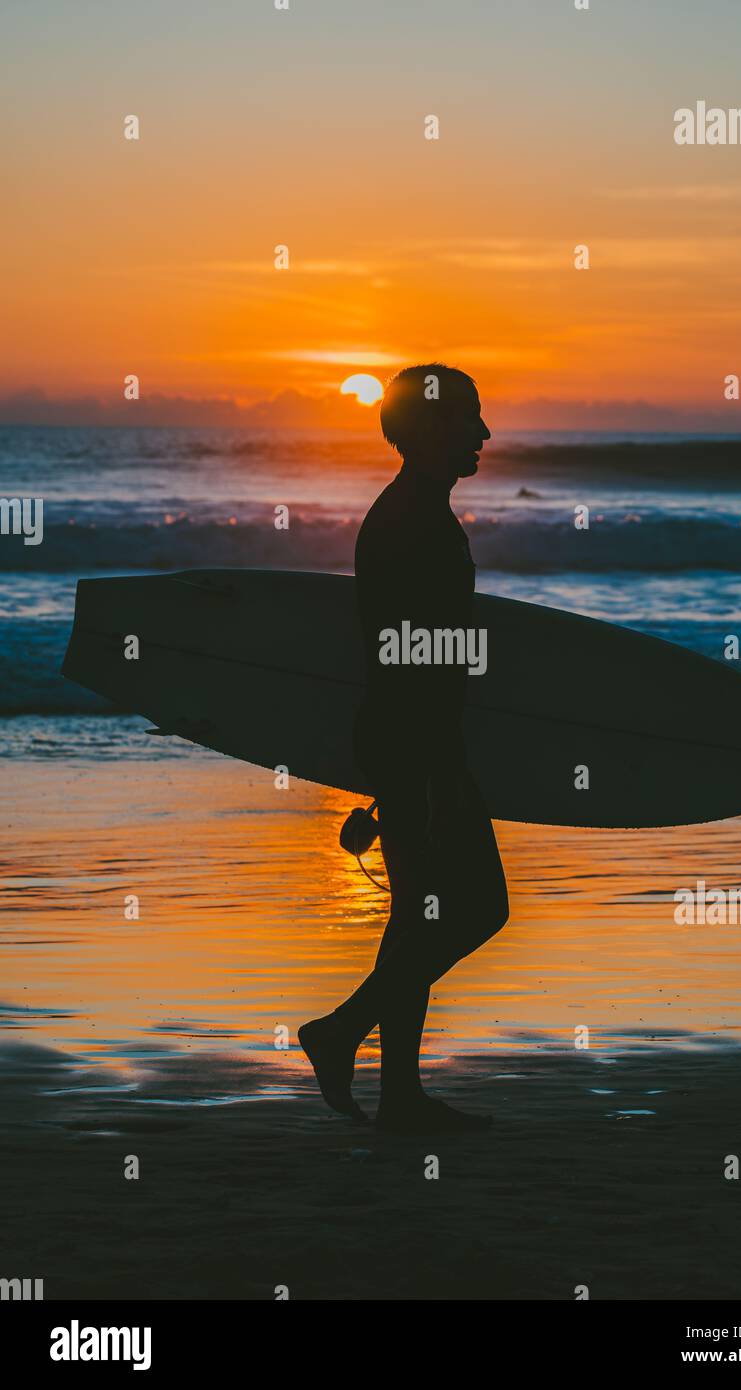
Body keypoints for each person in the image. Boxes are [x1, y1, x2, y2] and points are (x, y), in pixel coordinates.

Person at [299, 364, 509, 1134]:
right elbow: (402, 652)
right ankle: (341, 1032)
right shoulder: (410, 520)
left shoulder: (416, 512)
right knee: (480, 906)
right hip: (418, 741)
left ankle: (399, 1096)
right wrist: (413, 782)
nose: (483, 435)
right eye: (468, 420)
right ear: (426, 429)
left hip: (411, 741)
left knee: (421, 916)